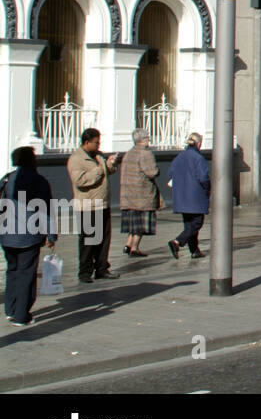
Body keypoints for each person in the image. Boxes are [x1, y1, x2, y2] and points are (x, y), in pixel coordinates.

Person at [2, 146, 57, 326]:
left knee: (12, 271)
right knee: (26, 273)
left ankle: (10, 310)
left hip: (7, 234)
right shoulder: (38, 181)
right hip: (28, 235)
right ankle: (21, 315)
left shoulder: (7, 179)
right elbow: (46, 210)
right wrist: (51, 234)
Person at [67, 127, 119, 283]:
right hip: (87, 206)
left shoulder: (98, 156)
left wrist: (109, 164)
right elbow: (80, 181)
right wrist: (99, 170)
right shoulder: (76, 159)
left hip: (102, 204)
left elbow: (107, 172)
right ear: (86, 142)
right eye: (96, 142)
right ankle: (84, 272)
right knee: (89, 241)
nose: (98, 145)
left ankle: (102, 268)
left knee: (103, 240)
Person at [167, 133, 210, 260]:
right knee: (197, 223)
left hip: (181, 197)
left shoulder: (179, 157)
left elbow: (170, 174)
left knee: (189, 225)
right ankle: (177, 242)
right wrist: (208, 189)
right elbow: (203, 178)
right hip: (195, 196)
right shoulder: (198, 158)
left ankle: (195, 250)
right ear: (199, 144)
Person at [118, 129, 160, 257]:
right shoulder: (145, 154)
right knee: (140, 223)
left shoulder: (129, 153)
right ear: (142, 140)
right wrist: (157, 171)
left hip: (128, 194)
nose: (149, 140)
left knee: (132, 223)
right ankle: (134, 247)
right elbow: (151, 172)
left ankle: (128, 244)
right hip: (141, 194)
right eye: (147, 138)